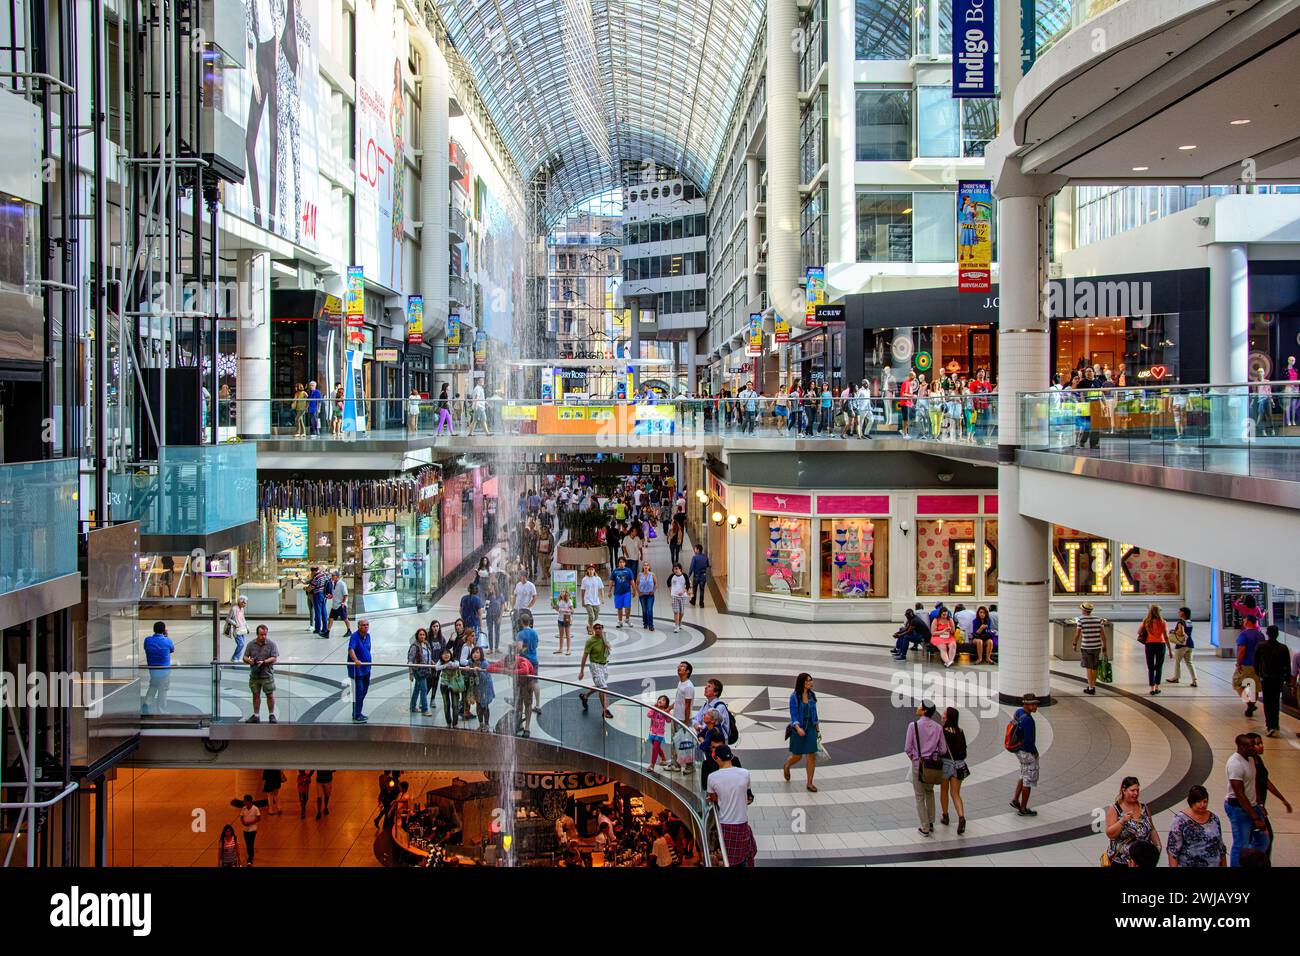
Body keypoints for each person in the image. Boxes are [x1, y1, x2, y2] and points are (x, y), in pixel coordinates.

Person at [904, 700, 948, 836]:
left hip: (918, 765)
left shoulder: (913, 726)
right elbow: (943, 749)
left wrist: (915, 759)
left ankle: (924, 827)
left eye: (919, 707)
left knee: (919, 796)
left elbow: (907, 748)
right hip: (932, 767)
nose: (917, 708)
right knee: (929, 792)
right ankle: (930, 822)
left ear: (923, 711)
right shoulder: (938, 728)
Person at [706, 744, 756, 865]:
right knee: (743, 856)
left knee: (728, 858)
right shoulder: (745, 773)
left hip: (725, 823)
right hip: (742, 822)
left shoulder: (712, 777)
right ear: (731, 756)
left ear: (717, 758)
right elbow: (746, 794)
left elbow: (713, 797)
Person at [1224, 733, 1269, 866]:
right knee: (1241, 843)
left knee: (1263, 839)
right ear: (1242, 747)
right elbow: (1240, 794)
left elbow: (1253, 783)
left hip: (1252, 804)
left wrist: (1259, 803)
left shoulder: (1250, 759)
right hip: (1238, 807)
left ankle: (1249, 862)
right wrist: (1255, 817)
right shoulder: (1235, 764)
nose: (1254, 748)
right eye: (1250, 746)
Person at [1247, 731, 1292, 861]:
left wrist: (1282, 799)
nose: (1261, 746)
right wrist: (1260, 805)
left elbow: (1265, 781)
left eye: (1261, 743)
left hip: (1259, 806)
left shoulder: (1258, 760)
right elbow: (1254, 786)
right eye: (1257, 744)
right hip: (1253, 807)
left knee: (1263, 837)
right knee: (1263, 836)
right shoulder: (1251, 764)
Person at [1103, 777, 1159, 866]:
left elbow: (1152, 828)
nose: (1136, 793)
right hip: (1122, 861)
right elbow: (1110, 834)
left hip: (1142, 860)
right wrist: (1122, 822)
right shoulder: (1115, 809)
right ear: (1124, 790)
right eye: (1132, 790)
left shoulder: (1144, 807)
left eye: (1137, 790)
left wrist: (1158, 846)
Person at [1167, 785, 1227, 867]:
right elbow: (1173, 850)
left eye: (1205, 801)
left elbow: (1221, 847)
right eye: (1199, 802)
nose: (1202, 805)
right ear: (1192, 802)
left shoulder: (1214, 818)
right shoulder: (1180, 820)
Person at [782, 672, 820, 792]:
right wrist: (798, 728)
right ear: (802, 682)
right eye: (808, 680)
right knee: (797, 756)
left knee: (811, 756)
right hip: (798, 729)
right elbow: (793, 716)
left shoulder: (812, 695)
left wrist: (818, 730)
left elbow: (815, 714)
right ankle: (787, 765)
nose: (810, 682)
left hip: (811, 729)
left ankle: (809, 783)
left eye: (811, 680)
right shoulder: (794, 697)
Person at [1256, 625, 1291, 737]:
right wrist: (1287, 678)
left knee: (1267, 702)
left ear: (1267, 633)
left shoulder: (1261, 646)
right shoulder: (1283, 648)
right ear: (1278, 634)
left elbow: (1256, 662)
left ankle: (1269, 725)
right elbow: (1287, 665)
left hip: (1266, 678)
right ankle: (1275, 724)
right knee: (1275, 701)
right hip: (1278, 678)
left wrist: (1259, 673)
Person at [1008, 693, 1039, 816]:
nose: (1036, 706)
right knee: (1028, 780)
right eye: (1033, 704)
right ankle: (1023, 808)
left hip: (1017, 750)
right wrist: (1035, 753)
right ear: (1026, 704)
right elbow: (1028, 742)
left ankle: (1015, 799)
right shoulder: (1029, 720)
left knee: (1023, 773)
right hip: (1026, 753)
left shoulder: (1018, 712)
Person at [939, 707, 969, 834]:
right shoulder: (960, 731)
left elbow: (940, 749)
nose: (942, 715)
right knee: (956, 793)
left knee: (944, 791)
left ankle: (945, 816)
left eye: (944, 713)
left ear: (947, 717)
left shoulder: (942, 731)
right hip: (959, 765)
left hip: (946, 764)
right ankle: (961, 817)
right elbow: (964, 750)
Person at [242, 625, 280, 723]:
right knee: (255, 695)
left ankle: (271, 715)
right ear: (257, 634)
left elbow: (274, 657)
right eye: (261, 635)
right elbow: (245, 657)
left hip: (267, 674)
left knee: (270, 695)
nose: (263, 636)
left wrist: (264, 662)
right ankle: (256, 715)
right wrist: (249, 661)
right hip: (255, 675)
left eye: (265, 634)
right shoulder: (251, 644)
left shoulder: (271, 644)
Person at [577, 622, 614, 719]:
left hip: (604, 665)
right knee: (603, 687)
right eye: (596, 628)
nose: (598, 630)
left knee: (600, 685)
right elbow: (585, 656)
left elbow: (608, 649)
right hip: (595, 665)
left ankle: (585, 696)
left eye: (600, 628)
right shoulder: (590, 641)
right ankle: (605, 710)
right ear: (593, 629)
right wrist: (581, 671)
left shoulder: (604, 638)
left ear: (602, 628)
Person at [665, 661, 696, 773]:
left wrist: (686, 723)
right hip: (676, 717)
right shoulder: (681, 683)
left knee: (685, 743)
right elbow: (679, 700)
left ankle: (689, 765)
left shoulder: (688, 686)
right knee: (675, 741)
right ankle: (675, 763)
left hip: (683, 720)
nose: (679, 667)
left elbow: (687, 706)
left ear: (687, 671)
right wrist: (670, 708)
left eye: (682, 666)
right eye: (679, 665)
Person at [514, 610, 541, 736]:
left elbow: (519, 648)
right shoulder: (534, 633)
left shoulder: (520, 634)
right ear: (530, 622)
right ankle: (527, 728)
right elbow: (535, 645)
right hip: (534, 662)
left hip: (524, 664)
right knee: (529, 695)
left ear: (520, 622)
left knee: (520, 695)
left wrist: (517, 649)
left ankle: (519, 724)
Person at [1073, 601, 1107, 695]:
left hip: (1086, 646)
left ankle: (1090, 687)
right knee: (1095, 667)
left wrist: (1074, 644)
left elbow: (1077, 634)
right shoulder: (1098, 619)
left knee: (1088, 667)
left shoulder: (1081, 620)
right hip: (1097, 646)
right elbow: (1103, 635)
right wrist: (1105, 646)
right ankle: (1093, 686)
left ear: (1083, 610)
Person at [1234, 614, 1265, 718]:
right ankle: (1250, 708)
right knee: (1254, 687)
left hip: (1246, 664)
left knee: (1237, 683)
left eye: (1245, 620)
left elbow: (1242, 651)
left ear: (1249, 622)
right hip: (1258, 665)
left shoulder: (1244, 635)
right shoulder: (1260, 635)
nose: (1243, 621)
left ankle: (1249, 703)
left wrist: (1238, 663)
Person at [142, 621, 174, 715]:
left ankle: (146, 703)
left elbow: (145, 648)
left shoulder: (147, 640)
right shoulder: (167, 640)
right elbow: (172, 649)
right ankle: (161, 710)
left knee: (153, 686)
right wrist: (166, 636)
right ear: (164, 630)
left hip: (153, 670)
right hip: (164, 671)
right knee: (163, 690)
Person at [347, 618, 373, 723]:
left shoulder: (368, 636)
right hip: (357, 670)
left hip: (366, 668)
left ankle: (357, 712)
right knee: (359, 691)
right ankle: (357, 715)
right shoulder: (354, 636)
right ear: (358, 626)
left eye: (367, 625)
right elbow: (351, 649)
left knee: (364, 691)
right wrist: (356, 660)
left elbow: (367, 650)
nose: (366, 627)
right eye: (363, 625)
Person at [1139, 604, 1169, 695]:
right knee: (1159, 667)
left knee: (1150, 667)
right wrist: (1170, 650)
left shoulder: (1146, 621)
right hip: (1161, 645)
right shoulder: (1163, 622)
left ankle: (1151, 688)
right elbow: (1166, 636)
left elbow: (1139, 632)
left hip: (1149, 645)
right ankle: (1157, 687)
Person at [1168, 606, 1197, 687]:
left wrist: (1173, 631)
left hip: (1181, 645)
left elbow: (1181, 632)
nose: (1178, 613)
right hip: (1190, 644)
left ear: (1183, 613)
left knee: (1177, 662)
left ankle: (1176, 678)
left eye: (1180, 611)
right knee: (1189, 662)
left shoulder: (1180, 622)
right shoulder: (1189, 622)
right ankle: (1194, 680)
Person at [435, 648, 464, 727]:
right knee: (446, 704)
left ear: (450, 654)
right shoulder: (440, 662)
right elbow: (437, 667)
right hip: (444, 686)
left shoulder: (454, 661)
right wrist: (445, 665)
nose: (446, 655)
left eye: (447, 653)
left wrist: (449, 664)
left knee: (455, 705)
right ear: (441, 655)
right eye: (444, 654)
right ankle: (448, 722)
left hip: (454, 685)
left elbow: (457, 665)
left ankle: (455, 723)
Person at [408, 627, 434, 716]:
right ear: (417, 636)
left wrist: (433, 663)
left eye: (423, 634)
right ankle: (425, 709)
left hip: (426, 670)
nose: (422, 636)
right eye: (420, 634)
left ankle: (412, 706)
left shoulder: (426, 644)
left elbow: (428, 657)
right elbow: (410, 659)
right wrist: (410, 673)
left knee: (417, 688)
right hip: (418, 671)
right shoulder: (414, 646)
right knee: (424, 689)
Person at [468, 646, 494, 730]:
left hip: (485, 689)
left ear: (481, 654)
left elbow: (486, 678)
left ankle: (487, 724)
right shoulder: (470, 663)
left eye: (477, 652)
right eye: (473, 653)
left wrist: (479, 670)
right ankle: (481, 724)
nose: (475, 655)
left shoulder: (485, 663)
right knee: (478, 705)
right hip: (476, 688)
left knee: (485, 706)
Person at [647, 694, 672, 773]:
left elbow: (668, 721)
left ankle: (652, 765)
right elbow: (649, 715)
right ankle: (663, 759)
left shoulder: (664, 711)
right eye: (660, 699)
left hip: (659, 733)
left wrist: (667, 712)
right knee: (656, 747)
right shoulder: (654, 709)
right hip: (652, 732)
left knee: (655, 747)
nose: (661, 700)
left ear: (666, 704)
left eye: (663, 700)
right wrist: (653, 708)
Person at [608, 558, 633, 629]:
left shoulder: (628, 571)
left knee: (627, 606)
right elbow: (611, 581)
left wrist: (634, 590)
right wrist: (609, 591)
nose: (621, 563)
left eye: (623, 562)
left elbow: (632, 581)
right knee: (619, 608)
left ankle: (627, 619)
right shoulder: (615, 571)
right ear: (618, 563)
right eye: (620, 562)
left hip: (627, 592)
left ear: (625, 563)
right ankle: (620, 621)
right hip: (618, 592)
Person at [238, 794, 261, 865]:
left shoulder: (255, 809)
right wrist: (243, 823)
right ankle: (249, 855)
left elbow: (259, 818)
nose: (244, 802)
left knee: (251, 843)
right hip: (245, 829)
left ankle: (250, 857)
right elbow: (241, 817)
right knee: (247, 843)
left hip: (252, 829)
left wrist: (250, 822)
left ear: (249, 801)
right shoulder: (244, 808)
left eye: (245, 801)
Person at [512, 571, 537, 636]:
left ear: (525, 577)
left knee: (527, 625)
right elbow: (515, 595)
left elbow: (534, 597)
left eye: (521, 576)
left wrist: (529, 606)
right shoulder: (518, 585)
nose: (520, 577)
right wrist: (513, 606)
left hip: (526, 609)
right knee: (518, 626)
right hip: (518, 608)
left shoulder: (531, 585)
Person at [324, 571, 349, 639]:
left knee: (345, 618)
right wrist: (330, 596)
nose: (332, 577)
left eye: (333, 576)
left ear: (337, 577)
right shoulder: (333, 583)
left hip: (341, 604)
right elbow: (334, 593)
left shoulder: (342, 584)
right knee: (330, 618)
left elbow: (345, 594)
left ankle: (349, 630)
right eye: (332, 576)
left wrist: (343, 603)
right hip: (335, 604)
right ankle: (327, 632)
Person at [581, 564, 606, 629]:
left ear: (594, 570)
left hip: (596, 600)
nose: (591, 571)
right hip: (587, 600)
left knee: (596, 616)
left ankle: (590, 625)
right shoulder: (584, 579)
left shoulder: (598, 579)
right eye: (589, 569)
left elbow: (601, 589)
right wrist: (582, 601)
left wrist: (602, 598)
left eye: (592, 569)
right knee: (591, 615)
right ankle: (591, 628)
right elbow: (582, 591)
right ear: (587, 570)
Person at [227, 595, 250, 663]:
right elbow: (228, 619)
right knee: (241, 644)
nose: (245, 604)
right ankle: (234, 657)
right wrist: (235, 624)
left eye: (246, 603)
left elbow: (243, 619)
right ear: (240, 602)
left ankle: (237, 658)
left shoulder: (242, 609)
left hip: (242, 629)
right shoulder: (234, 609)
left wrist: (247, 627)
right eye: (244, 603)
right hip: (237, 630)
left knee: (242, 644)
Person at [307, 564, 330, 637]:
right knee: (324, 612)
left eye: (311, 571)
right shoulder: (323, 575)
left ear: (313, 571)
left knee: (317, 612)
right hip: (323, 594)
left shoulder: (316, 577)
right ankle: (325, 628)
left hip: (317, 595)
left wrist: (306, 589)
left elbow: (311, 588)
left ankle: (317, 629)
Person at [668, 563, 690, 633]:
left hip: (683, 596)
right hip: (674, 596)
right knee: (676, 611)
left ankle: (679, 622)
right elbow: (668, 583)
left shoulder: (685, 576)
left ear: (680, 569)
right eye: (674, 569)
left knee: (682, 612)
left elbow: (688, 585)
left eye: (677, 568)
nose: (675, 570)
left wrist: (683, 591)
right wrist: (671, 591)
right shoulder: (672, 576)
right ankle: (676, 626)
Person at [636, 562, 657, 630]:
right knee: (644, 610)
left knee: (649, 610)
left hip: (650, 595)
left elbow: (656, 583)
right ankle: (645, 623)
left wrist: (653, 591)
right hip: (642, 595)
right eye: (644, 565)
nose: (646, 566)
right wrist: (639, 592)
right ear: (642, 567)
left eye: (647, 565)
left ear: (649, 567)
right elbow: (637, 584)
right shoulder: (640, 575)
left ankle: (651, 625)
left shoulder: (652, 574)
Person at [687, 543, 710, 608]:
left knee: (694, 589)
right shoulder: (705, 556)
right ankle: (701, 604)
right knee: (702, 590)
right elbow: (707, 565)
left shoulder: (694, 557)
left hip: (696, 576)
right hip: (703, 576)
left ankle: (693, 601)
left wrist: (688, 575)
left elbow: (691, 567)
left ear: (698, 549)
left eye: (695, 549)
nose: (694, 550)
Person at [484, 584, 505, 654]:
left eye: (492, 587)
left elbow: (502, 606)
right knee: (490, 631)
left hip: (497, 615)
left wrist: (500, 617)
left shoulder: (500, 596)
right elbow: (486, 606)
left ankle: (496, 647)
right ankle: (491, 648)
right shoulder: (489, 596)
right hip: (489, 615)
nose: (490, 588)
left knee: (497, 631)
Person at [554, 586, 573, 655]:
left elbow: (572, 610)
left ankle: (568, 649)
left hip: (566, 619)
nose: (561, 593)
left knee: (567, 635)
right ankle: (560, 648)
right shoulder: (559, 600)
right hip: (560, 619)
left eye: (563, 591)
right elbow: (557, 609)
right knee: (561, 635)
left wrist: (565, 610)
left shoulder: (569, 601)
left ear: (565, 593)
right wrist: (554, 607)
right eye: (561, 591)